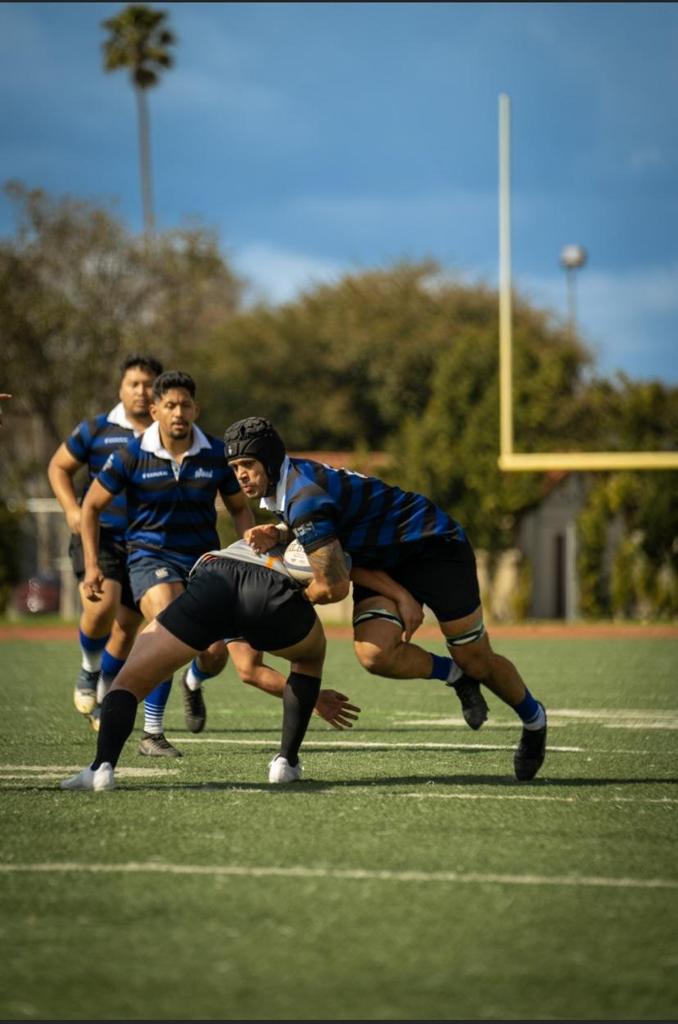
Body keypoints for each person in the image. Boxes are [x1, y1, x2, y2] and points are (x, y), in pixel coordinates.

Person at [223, 416, 548, 782]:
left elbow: (332, 586)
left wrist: (274, 607)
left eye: (247, 465)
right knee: (374, 654)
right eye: (234, 467)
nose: (241, 475)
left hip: (431, 546)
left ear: (267, 461)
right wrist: (284, 532)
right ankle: (456, 677)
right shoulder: (288, 487)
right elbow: (340, 544)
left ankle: (534, 720)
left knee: (476, 659)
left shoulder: (302, 497)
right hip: (382, 561)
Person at [80, 371, 357, 758]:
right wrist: (92, 564)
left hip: (207, 561)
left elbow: (241, 510)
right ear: (155, 409)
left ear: (197, 408)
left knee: (223, 659)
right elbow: (90, 505)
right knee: (164, 610)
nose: (179, 412)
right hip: (149, 557)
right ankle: (152, 731)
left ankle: (193, 681)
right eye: (171, 405)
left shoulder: (216, 453)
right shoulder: (130, 454)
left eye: (186, 405)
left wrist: (263, 557)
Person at [47, 354, 162, 729]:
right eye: (135, 384)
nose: (142, 392)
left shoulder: (168, 437)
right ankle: (88, 669)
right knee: (102, 606)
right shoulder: (97, 429)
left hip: (146, 542)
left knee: (128, 627)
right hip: (100, 536)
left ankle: (105, 694)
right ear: (121, 388)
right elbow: (58, 467)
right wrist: (71, 510)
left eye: (149, 385)